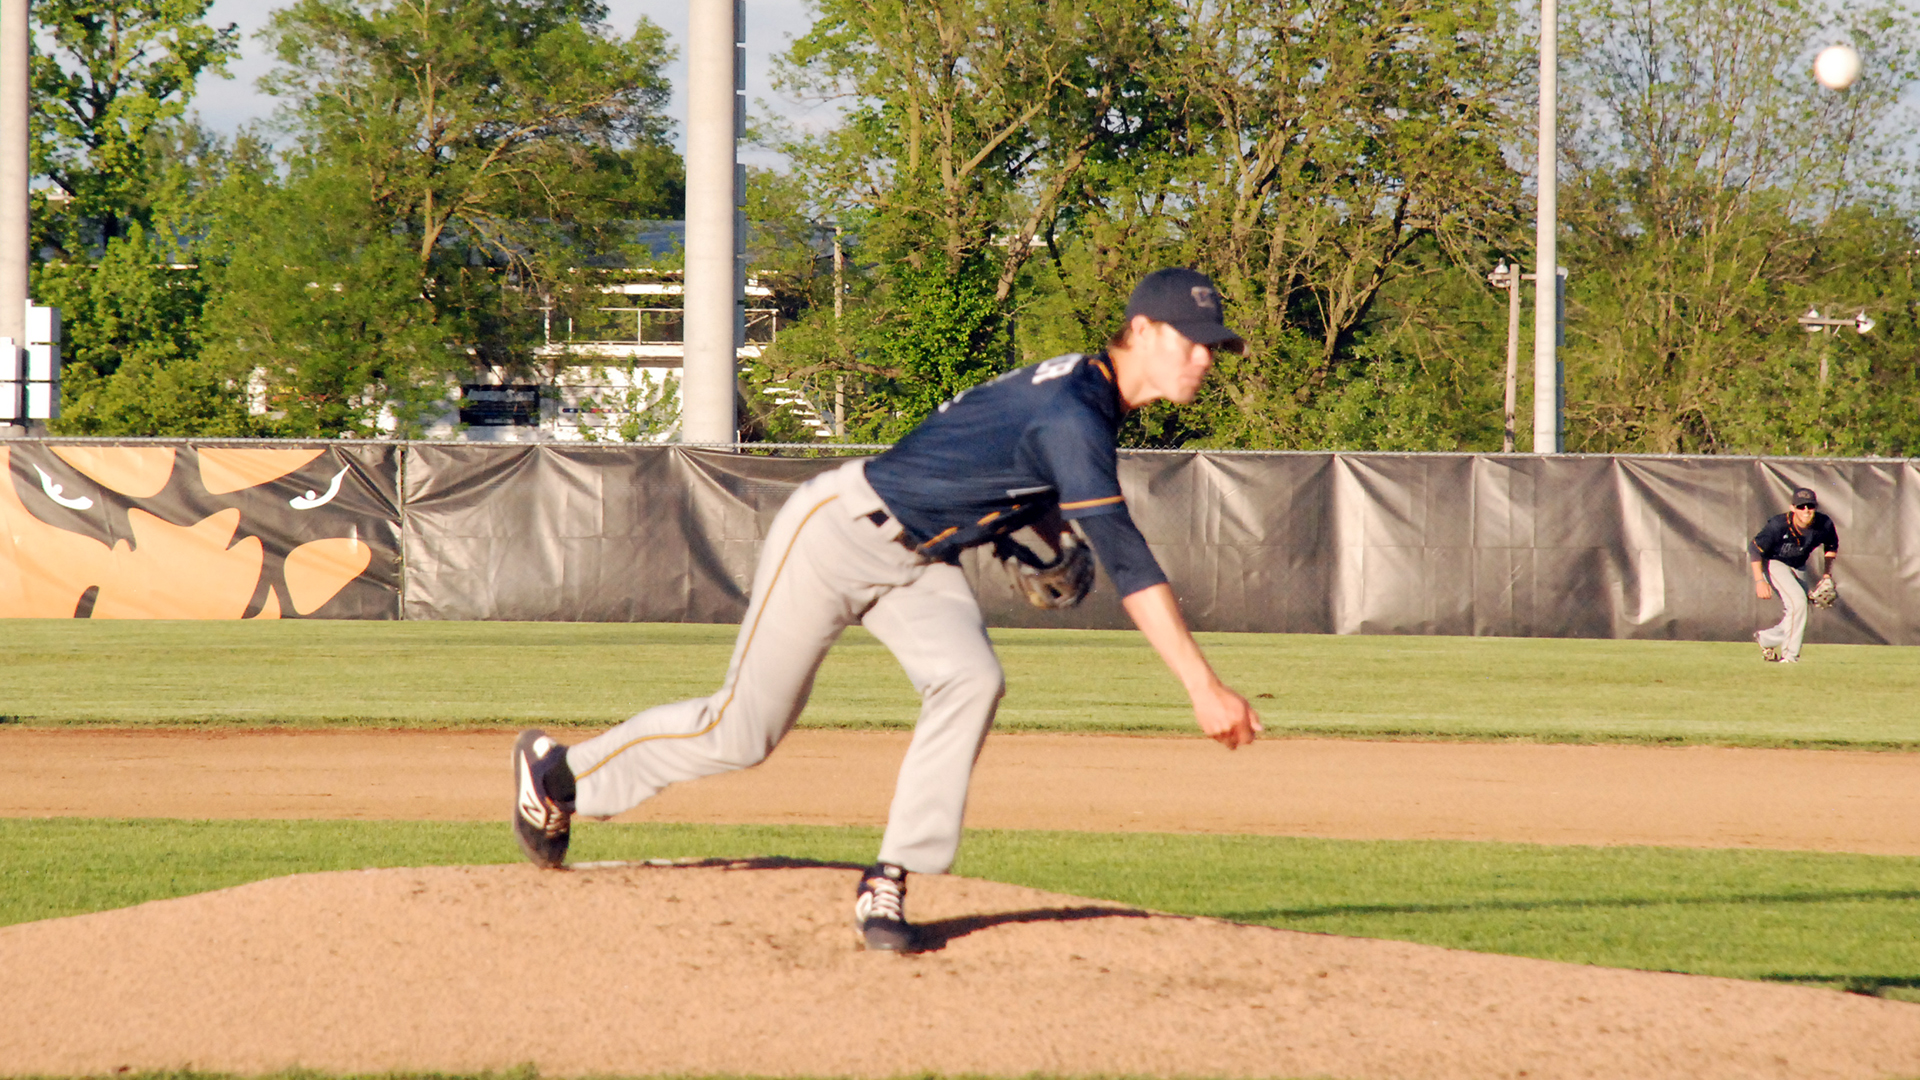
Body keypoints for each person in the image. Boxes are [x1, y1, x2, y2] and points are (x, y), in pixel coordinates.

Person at [511, 267, 1263, 950]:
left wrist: (1038, 530)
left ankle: (889, 878)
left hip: (920, 561)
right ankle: (559, 774)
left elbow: (992, 456)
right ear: (1142, 330)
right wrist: (1203, 686)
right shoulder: (1075, 412)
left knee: (972, 679)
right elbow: (1127, 556)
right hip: (838, 534)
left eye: (1213, 345)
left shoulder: (1083, 391)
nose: (1204, 356)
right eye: (1192, 340)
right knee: (742, 731)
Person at [1749, 486, 1839, 664]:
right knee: (1798, 603)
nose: (1806, 510)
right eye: (1801, 506)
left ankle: (1766, 639)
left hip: (1798, 565)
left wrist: (1827, 575)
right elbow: (1754, 549)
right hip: (1774, 563)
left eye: (1810, 506)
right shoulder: (1778, 525)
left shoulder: (1823, 524)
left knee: (1798, 610)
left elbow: (1831, 546)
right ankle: (1790, 657)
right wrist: (1759, 580)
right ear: (1792, 508)